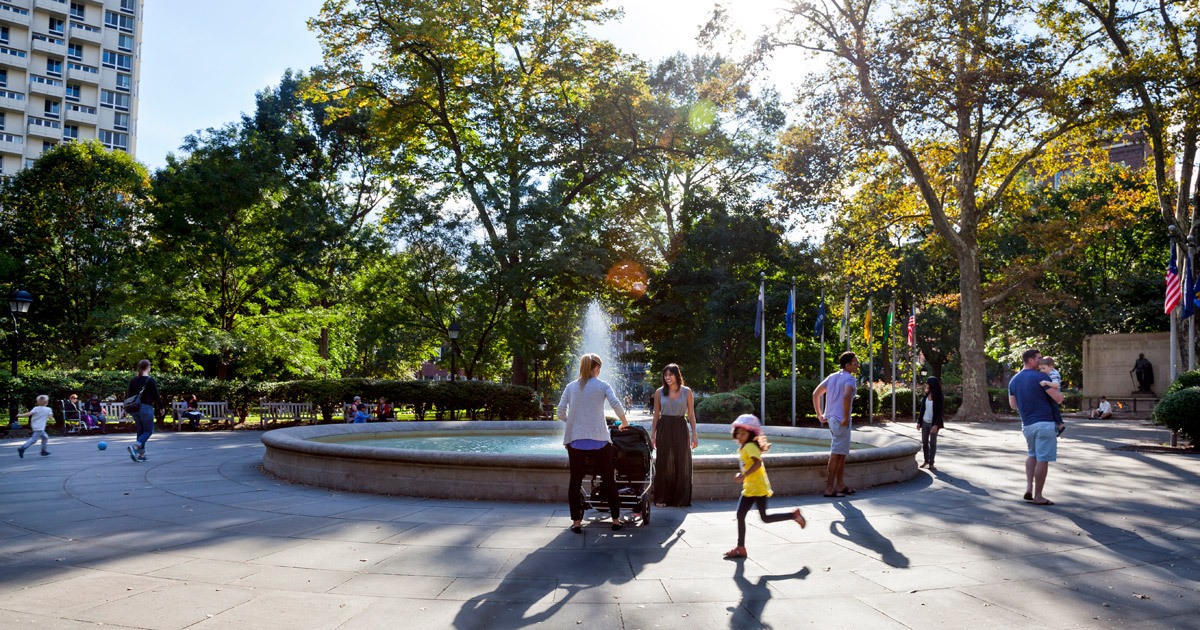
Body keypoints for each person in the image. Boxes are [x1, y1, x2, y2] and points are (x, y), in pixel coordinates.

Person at [557, 353, 631, 533]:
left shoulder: (571, 387)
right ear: (596, 368)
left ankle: (576, 522)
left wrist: (573, 424)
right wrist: (624, 422)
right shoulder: (603, 385)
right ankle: (615, 520)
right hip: (599, 441)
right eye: (600, 368)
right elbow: (616, 403)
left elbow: (560, 412)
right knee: (609, 480)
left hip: (575, 442)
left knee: (575, 481)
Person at [723, 414, 806, 559]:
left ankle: (794, 515)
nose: (740, 436)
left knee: (764, 518)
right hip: (750, 488)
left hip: (758, 488)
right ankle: (740, 548)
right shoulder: (744, 448)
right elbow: (748, 465)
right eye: (739, 433)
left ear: (751, 434)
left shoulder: (750, 446)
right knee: (740, 515)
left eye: (744, 433)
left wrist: (743, 475)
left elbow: (757, 463)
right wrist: (743, 474)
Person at [1009, 349, 1065, 505]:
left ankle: (1029, 487)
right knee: (1043, 459)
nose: (1041, 361)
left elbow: (1013, 405)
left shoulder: (1014, 380)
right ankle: (1038, 496)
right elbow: (1058, 398)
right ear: (1031, 360)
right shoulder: (1042, 376)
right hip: (1045, 423)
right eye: (1039, 358)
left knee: (1032, 454)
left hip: (1027, 424)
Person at [812, 352, 860, 497]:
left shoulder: (832, 377)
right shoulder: (850, 379)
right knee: (836, 454)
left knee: (841, 454)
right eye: (855, 363)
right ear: (848, 365)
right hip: (841, 420)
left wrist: (820, 414)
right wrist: (845, 417)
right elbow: (846, 396)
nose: (858, 365)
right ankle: (829, 489)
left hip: (833, 419)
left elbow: (816, 394)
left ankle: (840, 485)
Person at [650, 363, 698, 507]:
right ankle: (661, 498)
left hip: (680, 426)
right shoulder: (659, 392)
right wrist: (652, 435)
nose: (667, 377)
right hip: (664, 426)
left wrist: (695, 435)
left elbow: (691, 414)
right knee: (664, 461)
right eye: (665, 375)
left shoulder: (687, 391)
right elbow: (656, 415)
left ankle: (681, 499)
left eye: (670, 374)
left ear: (677, 375)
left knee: (682, 461)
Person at [127, 359, 160, 463]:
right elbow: (156, 395)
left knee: (140, 431)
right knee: (149, 431)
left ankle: (141, 455)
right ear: (148, 367)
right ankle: (136, 446)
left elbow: (129, 396)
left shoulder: (133, 380)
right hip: (146, 407)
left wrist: (125, 410)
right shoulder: (150, 380)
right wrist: (161, 407)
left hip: (135, 409)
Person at [915, 376, 944, 470]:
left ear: (932, 384)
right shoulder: (926, 395)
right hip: (924, 422)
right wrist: (919, 422)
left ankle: (931, 463)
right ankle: (926, 461)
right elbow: (922, 409)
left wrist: (936, 425)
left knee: (932, 443)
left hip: (933, 423)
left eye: (927, 383)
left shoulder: (939, 396)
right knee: (924, 442)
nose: (926, 384)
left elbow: (940, 412)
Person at [1038, 357, 1066, 435]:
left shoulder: (1054, 373)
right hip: (1051, 394)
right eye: (1040, 369)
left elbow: (1056, 385)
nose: (1042, 371)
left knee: (1054, 409)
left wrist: (1046, 383)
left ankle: (1060, 424)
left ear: (1051, 367)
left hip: (1054, 395)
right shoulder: (1049, 372)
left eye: (1043, 368)